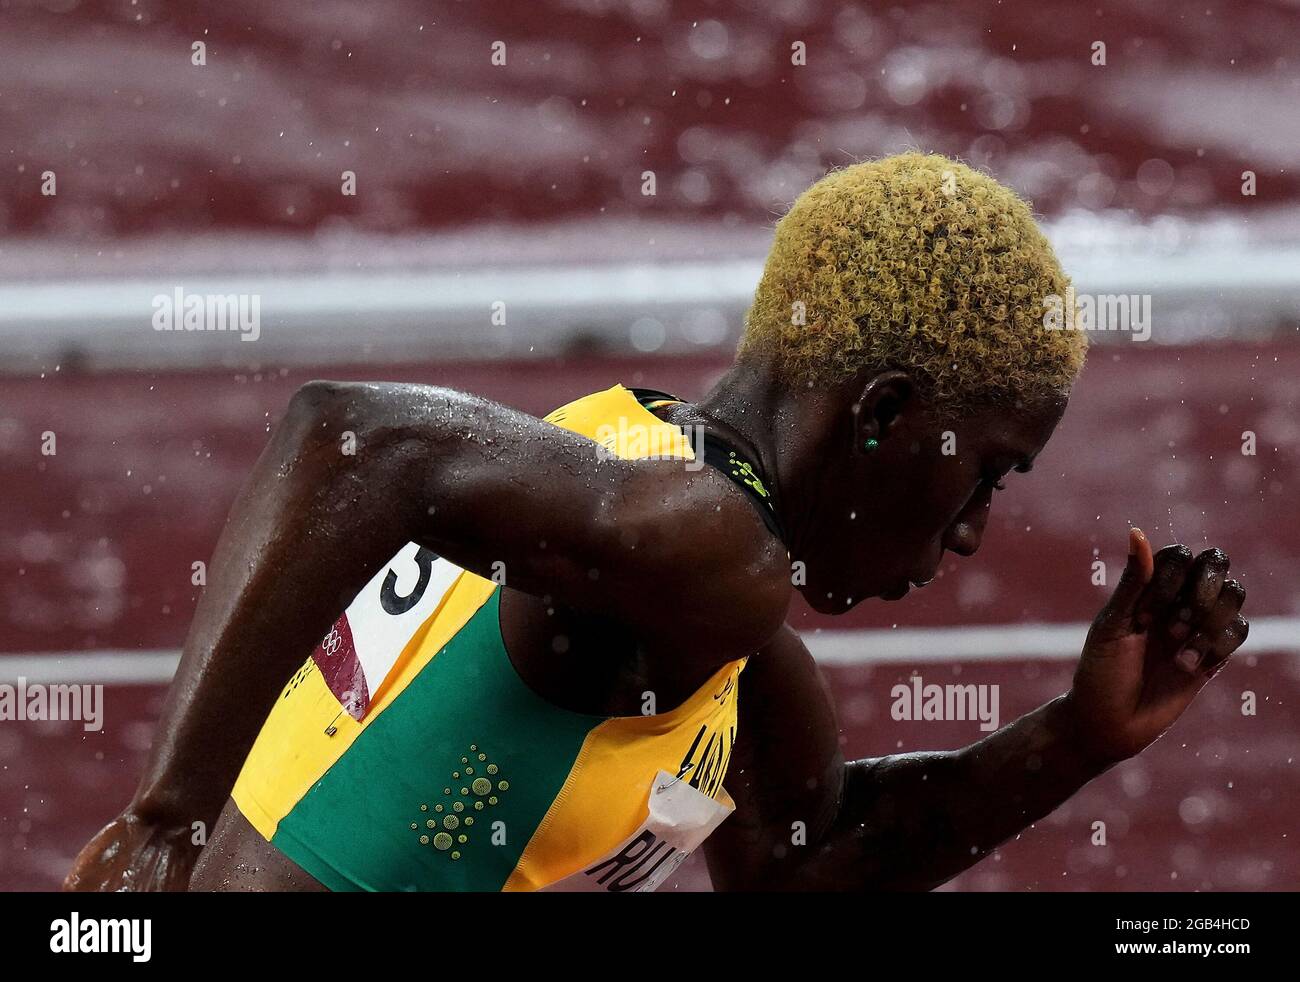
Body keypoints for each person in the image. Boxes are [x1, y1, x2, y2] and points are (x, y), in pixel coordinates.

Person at [65, 153, 1248, 892]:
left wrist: (1078, 738)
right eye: (986, 475)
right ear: (884, 415)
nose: (975, 534)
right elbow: (348, 437)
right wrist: (162, 822)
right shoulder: (708, 552)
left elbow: (806, 862)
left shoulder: (655, 497)